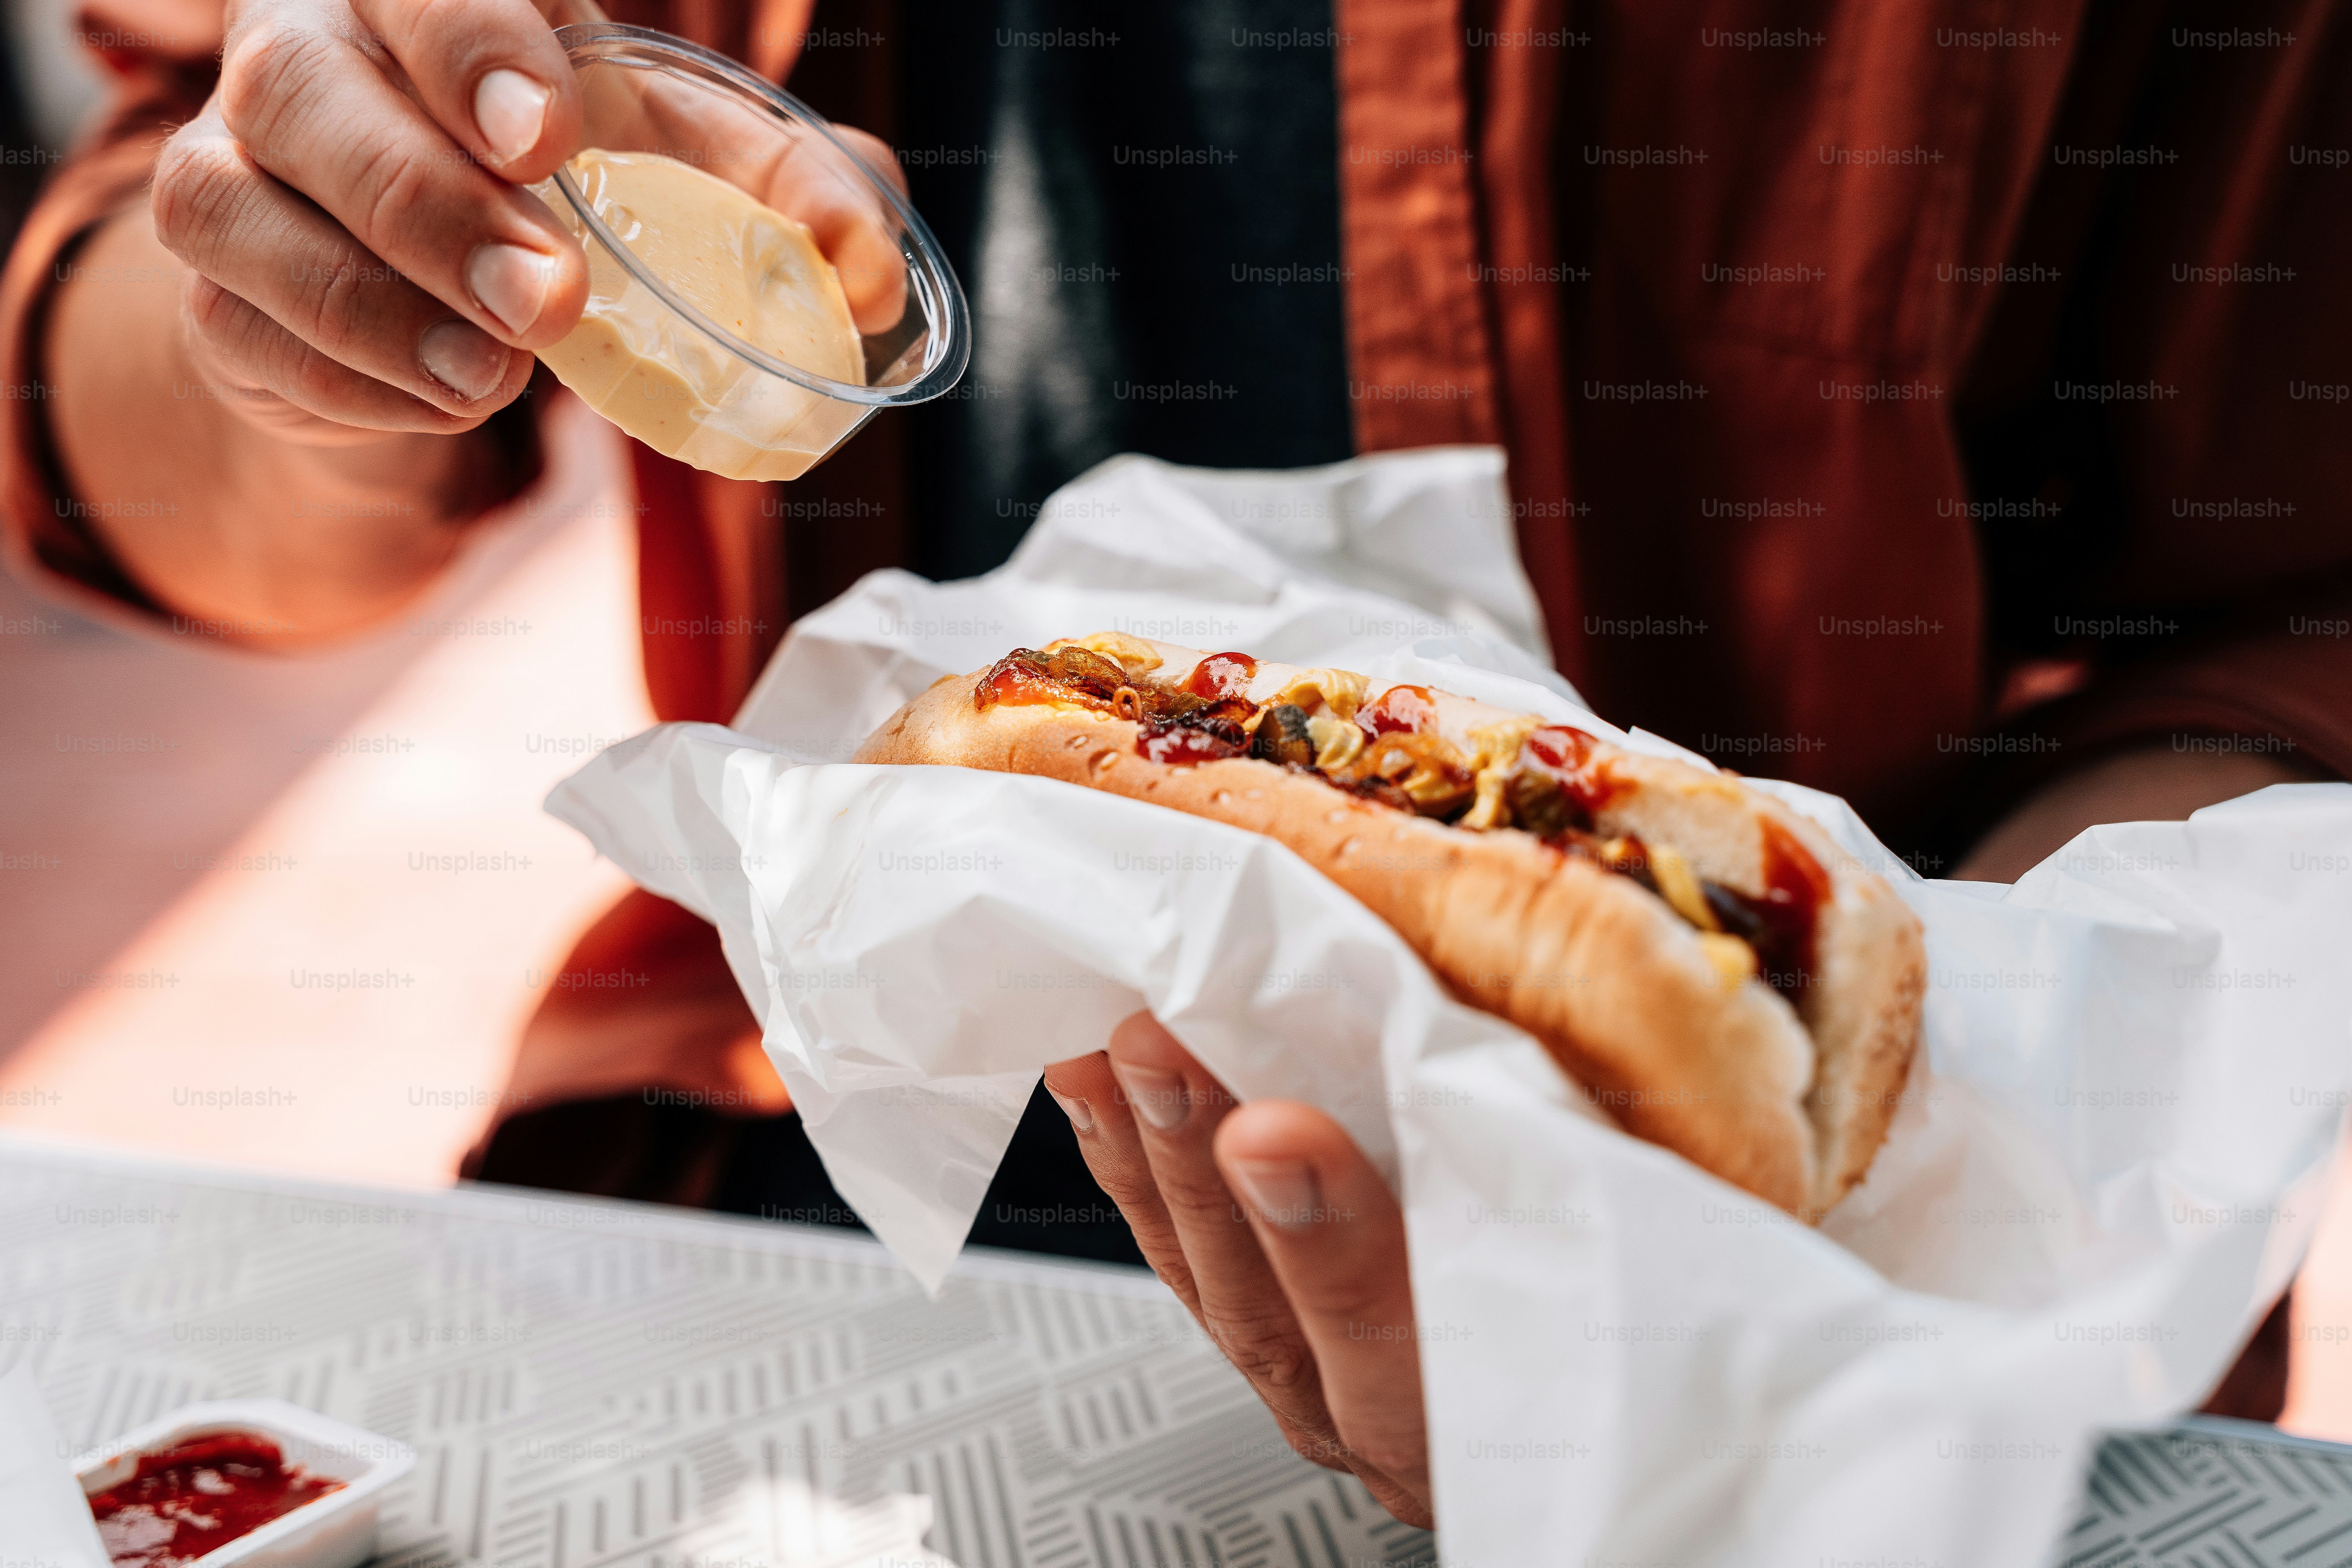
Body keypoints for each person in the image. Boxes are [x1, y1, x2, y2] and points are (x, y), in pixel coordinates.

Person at [4, 0, 2340, 1526]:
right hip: (772, 1187)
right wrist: (313, 301)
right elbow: (148, 442)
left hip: (1842, 1351)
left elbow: (2291, 609)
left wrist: (1759, 1301)